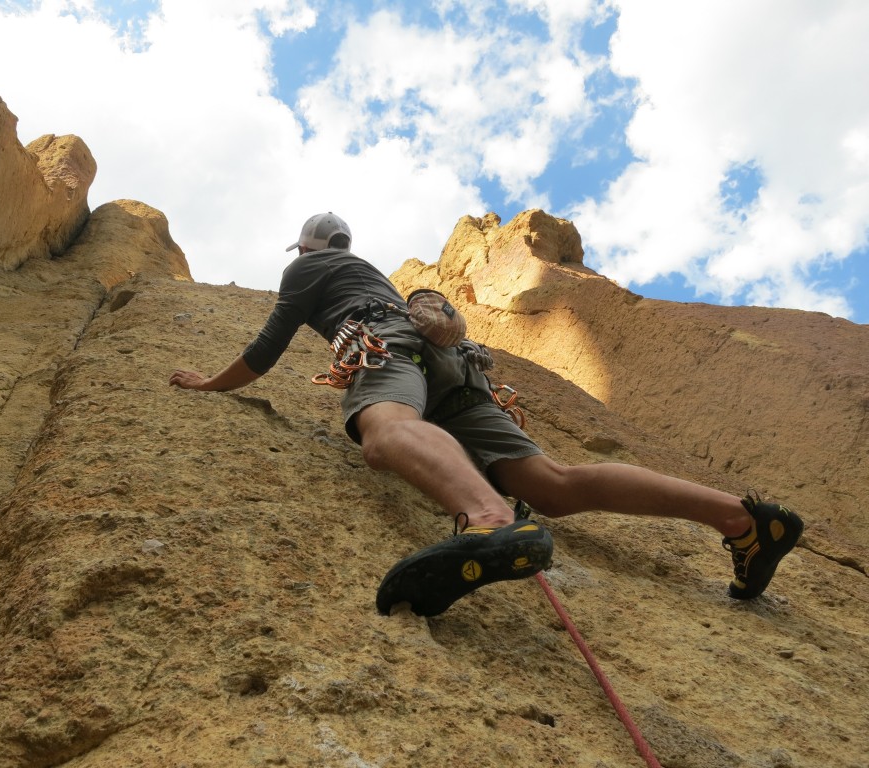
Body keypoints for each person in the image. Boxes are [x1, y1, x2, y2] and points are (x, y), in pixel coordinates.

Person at [169, 212, 805, 616]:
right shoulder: (379, 279)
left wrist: (212, 385)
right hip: (460, 367)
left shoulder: (310, 269)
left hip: (386, 347)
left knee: (386, 430)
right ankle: (742, 519)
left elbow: (267, 346)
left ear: (305, 247)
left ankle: (489, 521)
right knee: (551, 483)